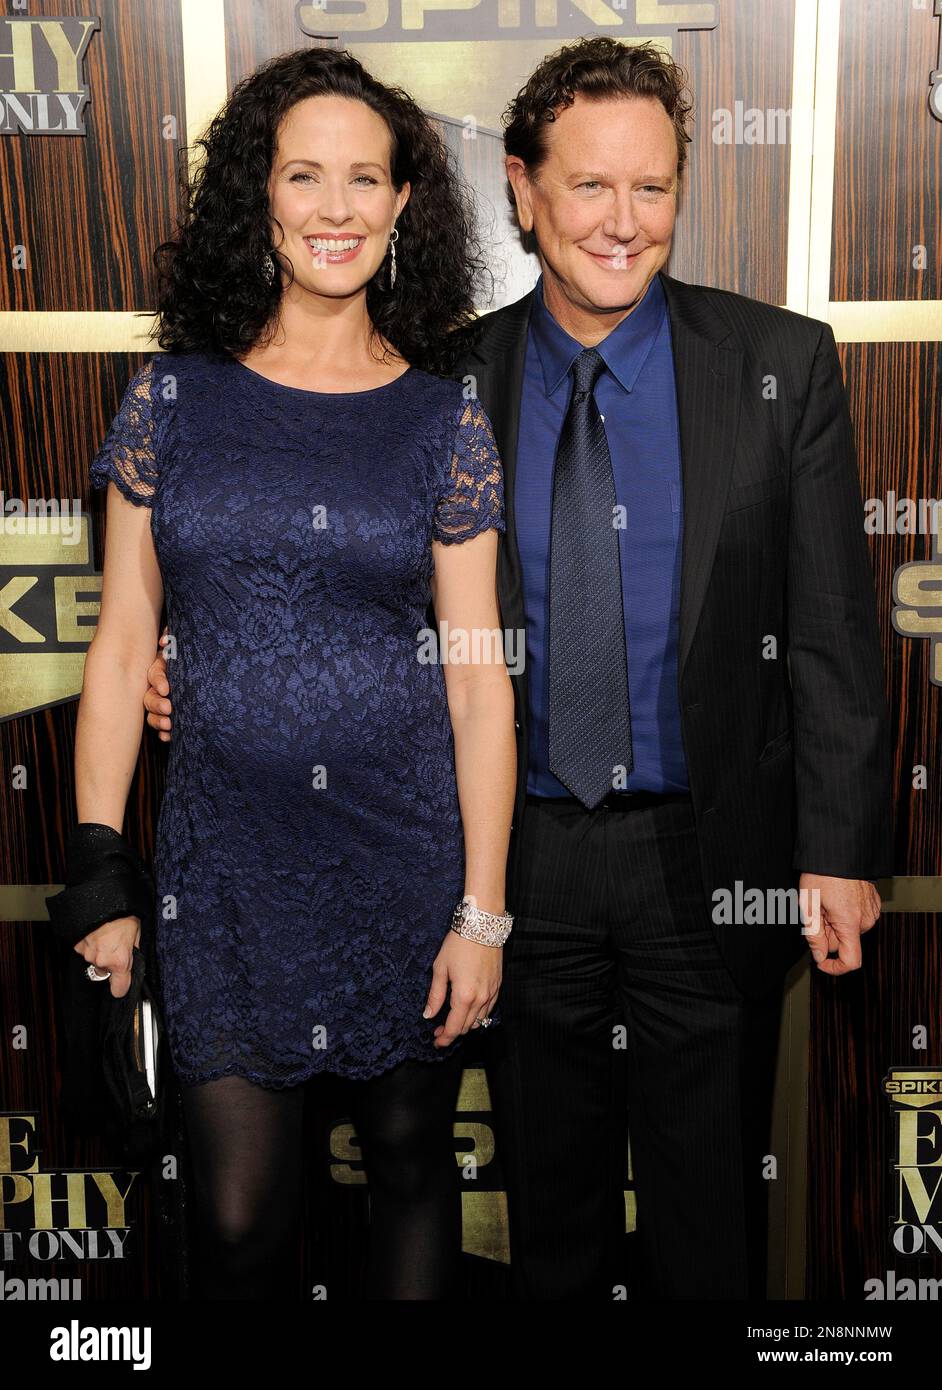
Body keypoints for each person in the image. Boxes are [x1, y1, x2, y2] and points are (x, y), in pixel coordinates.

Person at [145, 37, 893, 1300]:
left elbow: (830, 628)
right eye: (589, 186)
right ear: (524, 191)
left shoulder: (781, 364)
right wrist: (195, 662)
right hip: (515, 866)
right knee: (550, 1233)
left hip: (715, 863)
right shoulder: (441, 382)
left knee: (712, 1232)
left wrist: (839, 850)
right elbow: (325, 574)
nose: (622, 221)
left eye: (652, 187)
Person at [72, 45, 515, 1300]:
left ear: (403, 203)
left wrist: (481, 912)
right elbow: (123, 642)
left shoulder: (440, 419)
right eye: (303, 175)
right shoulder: (172, 402)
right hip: (226, 875)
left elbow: (477, 678)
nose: (336, 208)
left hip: (401, 862)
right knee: (237, 1223)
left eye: (364, 179)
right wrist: (100, 861)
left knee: (411, 1172)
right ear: (257, 198)